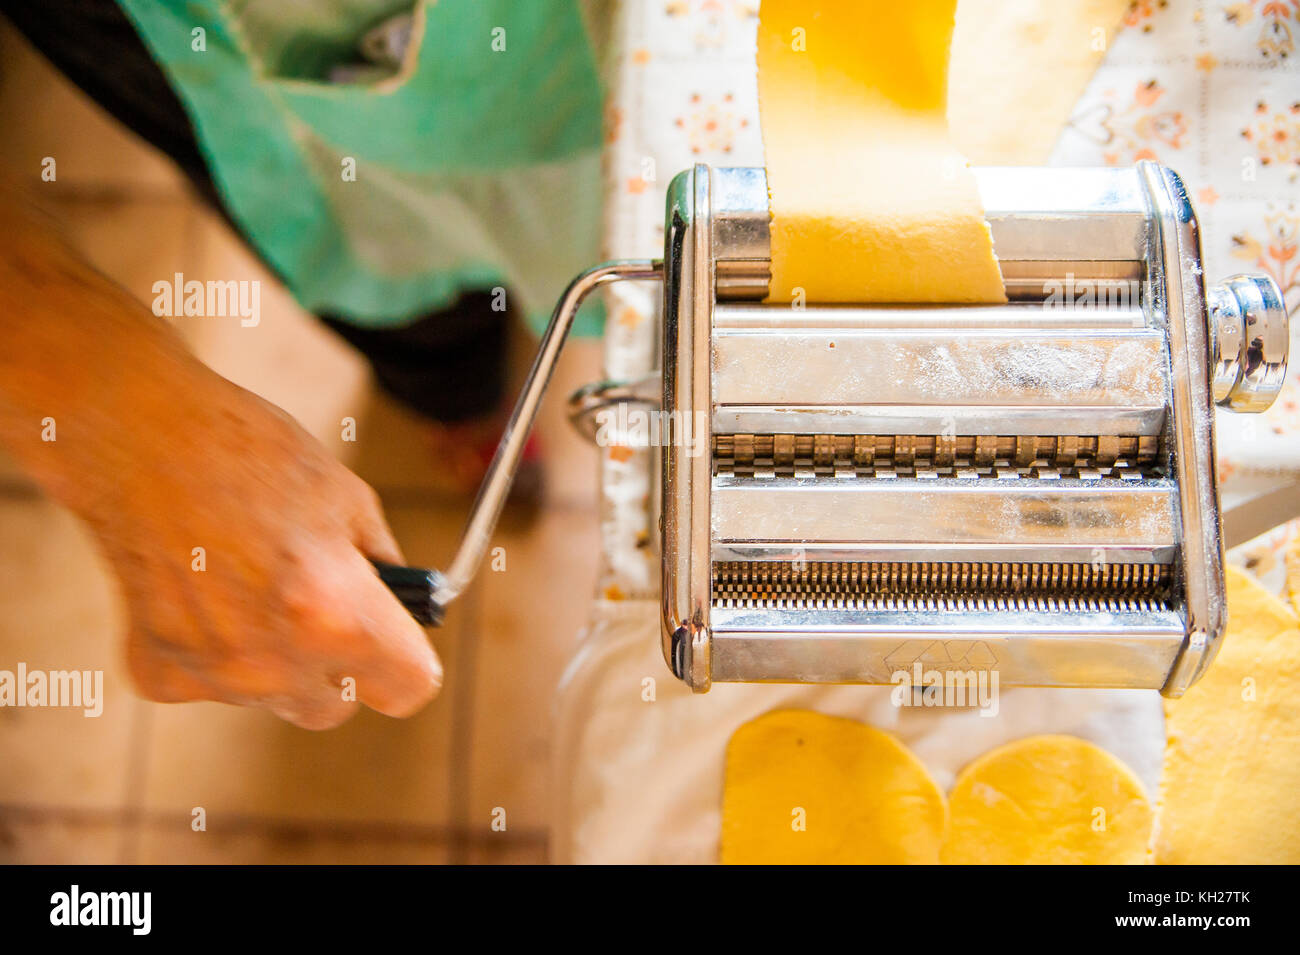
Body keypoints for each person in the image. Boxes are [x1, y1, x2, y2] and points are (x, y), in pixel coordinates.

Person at [0, 1, 606, 728]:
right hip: (246, 69)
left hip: (563, 57)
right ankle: (462, 404)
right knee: (410, 313)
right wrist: (105, 400)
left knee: (580, 212)